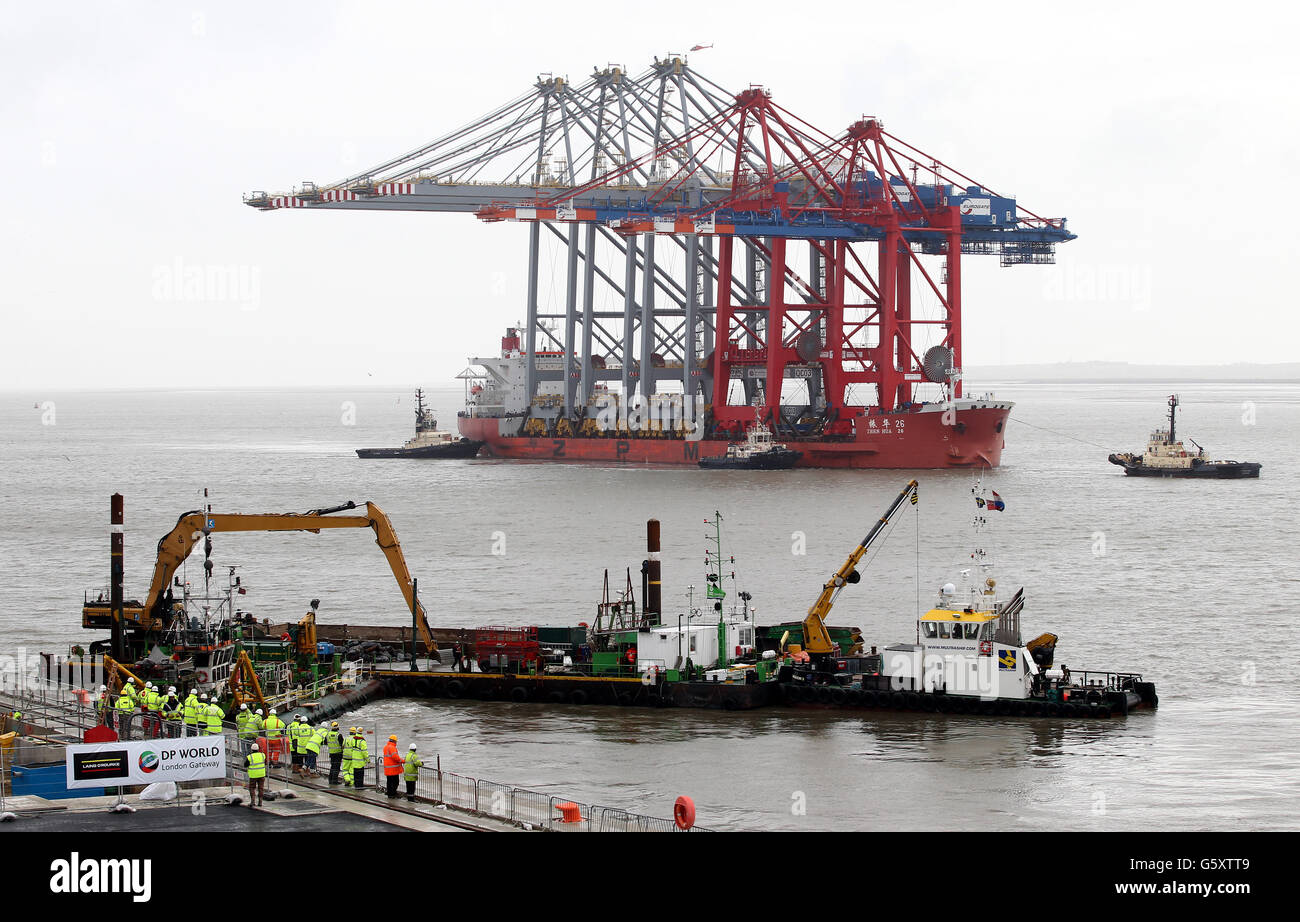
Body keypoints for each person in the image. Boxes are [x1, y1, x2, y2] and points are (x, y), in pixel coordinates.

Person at [382, 734, 404, 799]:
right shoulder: (392, 747)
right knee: (395, 782)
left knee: (389, 782)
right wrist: (402, 760)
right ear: (394, 741)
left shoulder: (385, 747)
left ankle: (390, 794)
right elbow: (395, 757)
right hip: (393, 770)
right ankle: (392, 794)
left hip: (388, 769)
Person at [245, 742, 267, 807]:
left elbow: (245, 765)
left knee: (252, 788)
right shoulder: (262, 755)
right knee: (261, 788)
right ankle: (260, 802)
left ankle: (253, 801)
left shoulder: (250, 757)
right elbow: (265, 762)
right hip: (262, 774)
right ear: (258, 749)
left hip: (253, 775)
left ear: (251, 750)